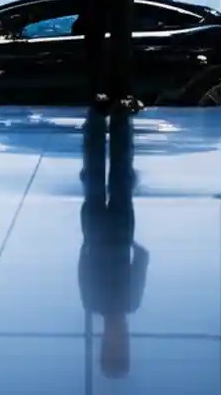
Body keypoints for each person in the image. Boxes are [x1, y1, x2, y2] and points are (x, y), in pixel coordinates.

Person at [79, 109, 148, 379]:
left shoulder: (129, 302)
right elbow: (83, 269)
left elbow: (141, 261)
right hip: (100, 235)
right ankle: (103, 120)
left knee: (115, 174)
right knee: (101, 176)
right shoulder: (96, 302)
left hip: (113, 235)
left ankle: (113, 119)